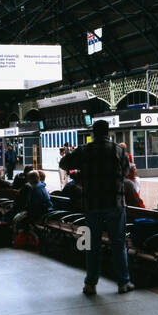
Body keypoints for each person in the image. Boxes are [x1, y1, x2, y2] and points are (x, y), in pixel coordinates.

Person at [60, 119, 133, 295]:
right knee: (118, 243)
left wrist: (82, 171)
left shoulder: (85, 150)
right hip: (115, 203)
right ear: (108, 132)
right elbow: (126, 171)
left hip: (92, 203)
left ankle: (90, 284)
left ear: (93, 132)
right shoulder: (118, 150)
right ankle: (123, 282)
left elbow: (64, 164)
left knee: (92, 244)